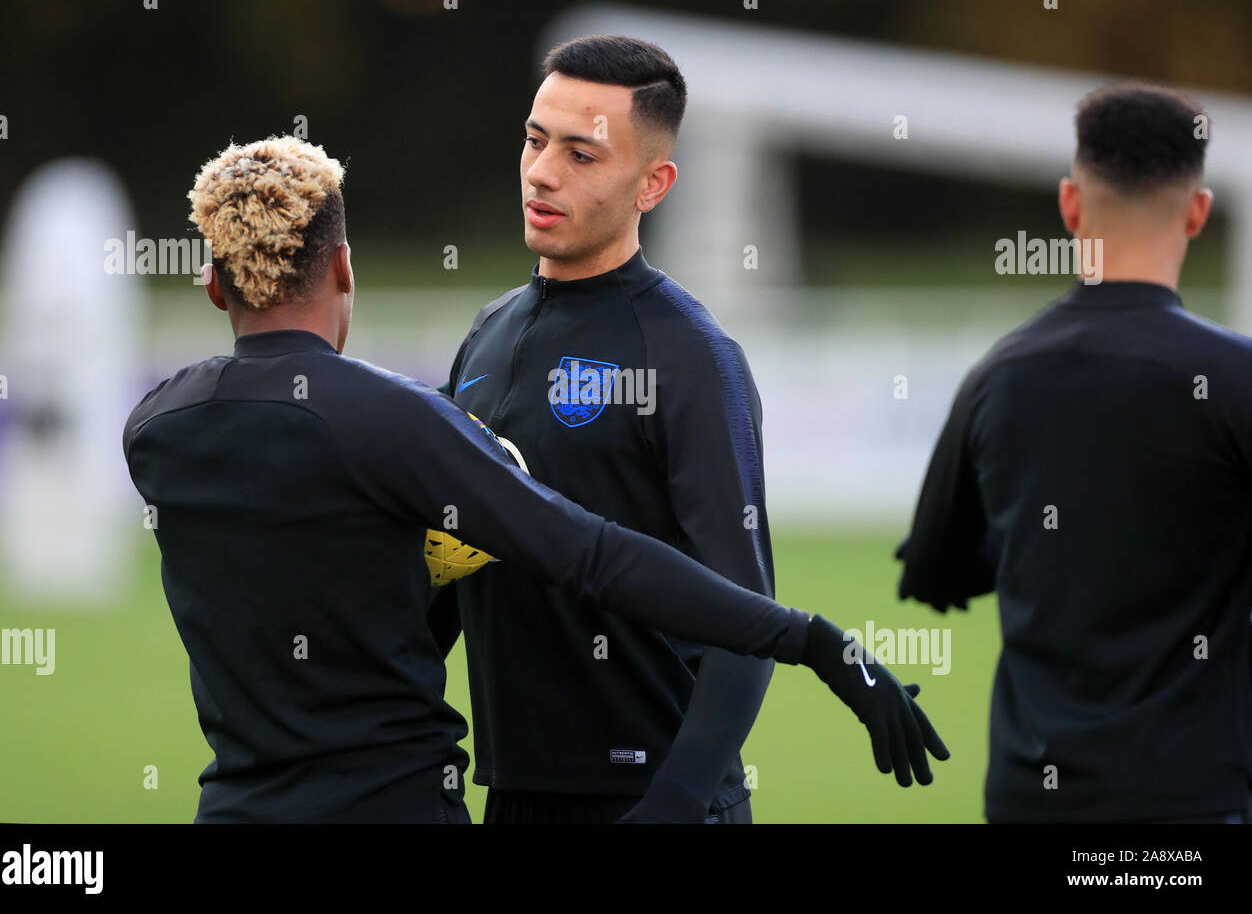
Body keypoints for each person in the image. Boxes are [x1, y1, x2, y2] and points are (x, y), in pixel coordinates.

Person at [123, 135, 948, 822]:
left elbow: (339, 575)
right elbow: (591, 553)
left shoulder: (154, 431)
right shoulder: (395, 419)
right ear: (342, 267)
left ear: (212, 283)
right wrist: (807, 637)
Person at [434, 35, 775, 824]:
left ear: (652, 184)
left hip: (653, 796)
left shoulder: (692, 355)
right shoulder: (486, 333)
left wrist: (674, 803)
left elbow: (746, 623)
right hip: (514, 792)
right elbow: (445, 575)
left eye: (582, 155)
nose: (542, 170)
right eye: (534, 138)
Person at [898, 83, 1252, 823]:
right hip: (1195, 799)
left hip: (1035, 796)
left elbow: (934, 570)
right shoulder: (1233, 378)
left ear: (1069, 205)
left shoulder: (998, 377)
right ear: (1197, 213)